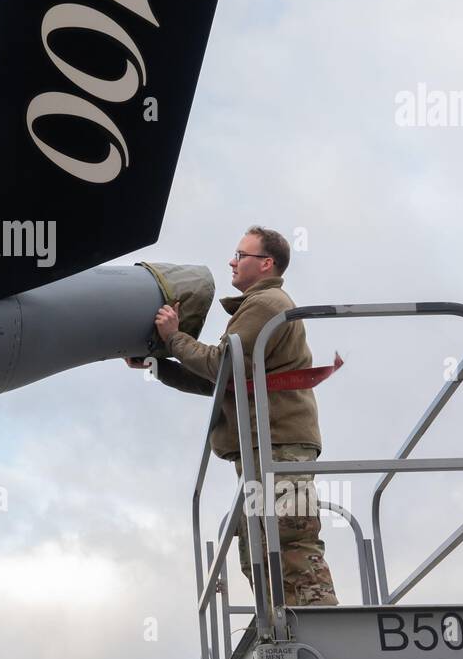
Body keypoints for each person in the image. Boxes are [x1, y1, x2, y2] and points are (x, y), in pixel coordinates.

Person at [130, 226, 339, 606]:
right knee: (259, 547)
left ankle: (320, 636)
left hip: (277, 444)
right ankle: (281, 630)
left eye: (241, 255)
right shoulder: (262, 305)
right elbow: (224, 381)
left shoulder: (266, 304)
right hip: (266, 445)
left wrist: (174, 339)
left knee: (289, 541)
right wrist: (158, 367)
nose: (232, 261)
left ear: (266, 264)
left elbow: (221, 364)